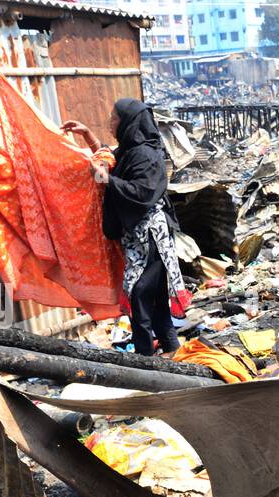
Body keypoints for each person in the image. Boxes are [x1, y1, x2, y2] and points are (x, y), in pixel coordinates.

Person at [63, 100, 190, 357]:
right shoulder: (132, 151)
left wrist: (104, 178)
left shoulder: (146, 155)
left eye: (113, 118)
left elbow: (140, 192)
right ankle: (173, 352)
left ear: (128, 122)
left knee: (139, 295)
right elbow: (111, 159)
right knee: (154, 301)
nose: (110, 123)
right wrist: (88, 136)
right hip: (138, 238)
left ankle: (145, 358)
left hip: (152, 237)